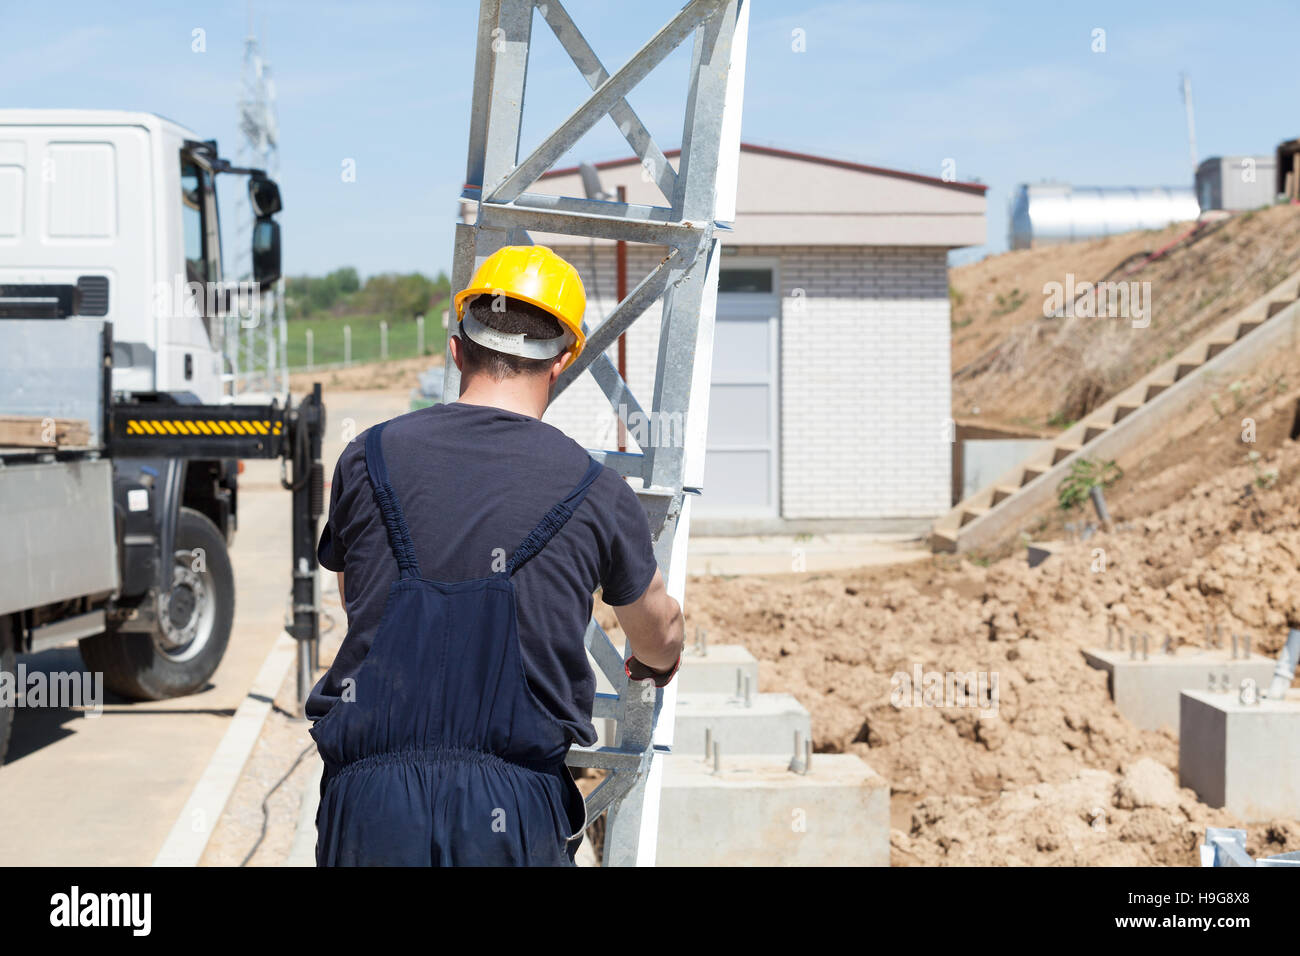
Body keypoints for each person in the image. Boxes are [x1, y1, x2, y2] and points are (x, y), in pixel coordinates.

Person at [307, 245, 684, 866]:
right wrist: (658, 659)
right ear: (564, 361)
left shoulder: (366, 458)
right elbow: (656, 631)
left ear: (457, 347)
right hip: (509, 812)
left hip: (370, 807)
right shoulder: (595, 490)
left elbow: (358, 598)